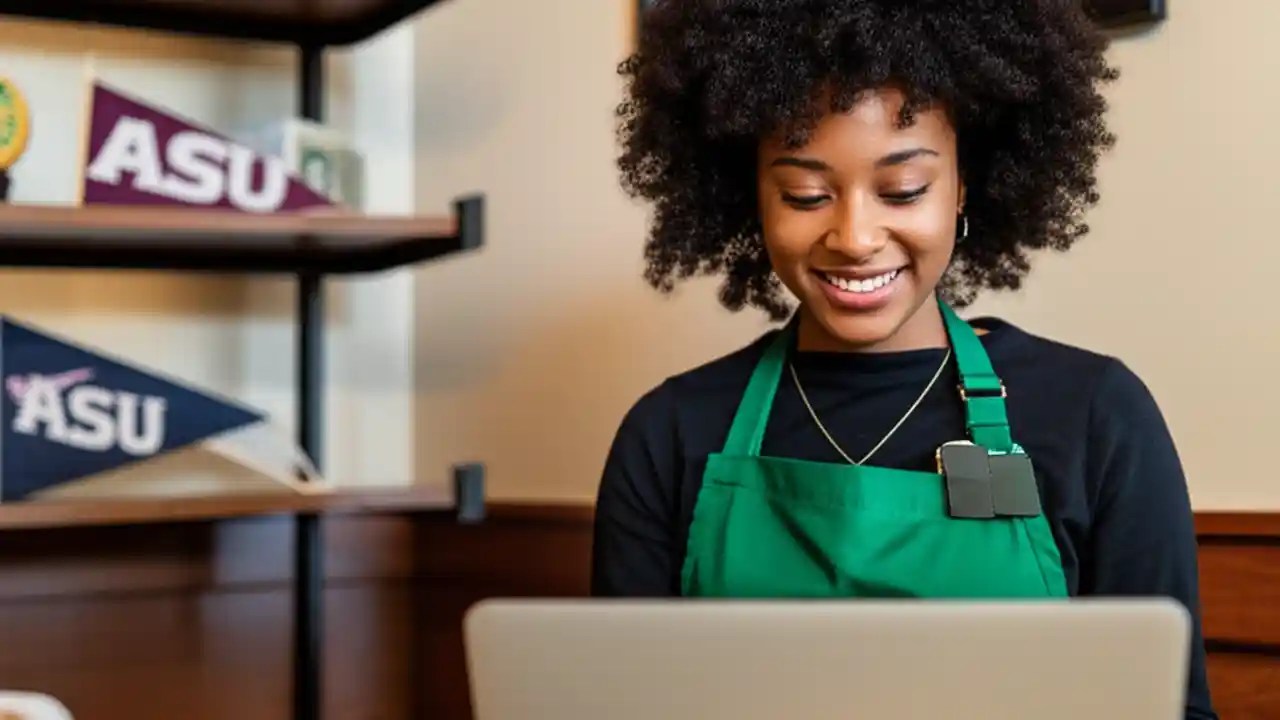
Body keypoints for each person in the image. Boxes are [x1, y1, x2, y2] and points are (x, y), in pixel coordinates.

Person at [592, 1, 1217, 718]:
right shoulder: (668, 434)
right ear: (753, 200)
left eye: (904, 189)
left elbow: (1172, 709)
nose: (855, 237)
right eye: (805, 194)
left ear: (963, 188)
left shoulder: (1096, 414)